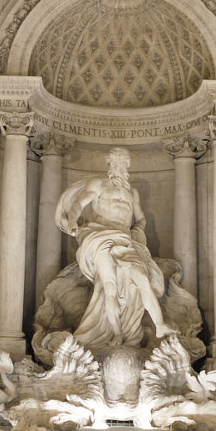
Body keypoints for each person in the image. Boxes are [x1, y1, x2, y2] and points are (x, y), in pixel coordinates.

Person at [54, 147, 173, 351]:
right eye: (116, 162)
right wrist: (73, 221)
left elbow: (141, 217)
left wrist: (138, 230)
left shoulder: (131, 192)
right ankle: (117, 332)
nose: (119, 165)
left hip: (125, 240)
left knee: (142, 277)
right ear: (109, 164)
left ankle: (160, 325)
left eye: (124, 162)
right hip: (100, 237)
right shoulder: (98, 184)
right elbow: (79, 203)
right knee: (109, 286)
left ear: (127, 166)